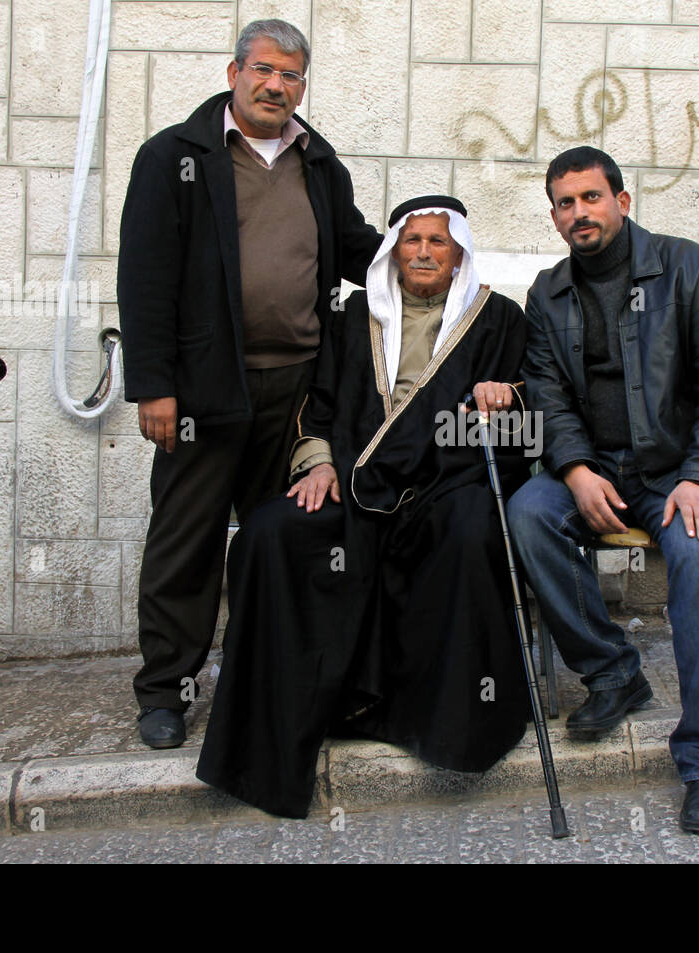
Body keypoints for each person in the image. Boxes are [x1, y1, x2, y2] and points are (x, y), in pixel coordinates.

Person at [197, 195, 532, 818]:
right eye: (412, 241)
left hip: (444, 485)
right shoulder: (358, 315)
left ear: (459, 252)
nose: (425, 252)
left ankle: (443, 724)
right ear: (394, 251)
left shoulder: (500, 320)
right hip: (353, 480)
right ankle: (281, 728)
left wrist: (503, 400)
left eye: (438, 241)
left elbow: (525, 427)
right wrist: (318, 462)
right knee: (270, 532)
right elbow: (317, 404)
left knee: (469, 533)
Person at [117, 19, 382, 749]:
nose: (276, 85)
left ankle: (268, 677)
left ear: (303, 85)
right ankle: (167, 690)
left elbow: (355, 245)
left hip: (296, 391)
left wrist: (427, 250)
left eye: (291, 75)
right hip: (202, 393)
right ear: (233, 72)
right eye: (264, 70)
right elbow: (144, 278)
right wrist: (153, 385)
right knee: (186, 541)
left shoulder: (319, 163)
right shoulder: (175, 156)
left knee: (280, 539)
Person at [506, 147, 699, 834]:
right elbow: (549, 395)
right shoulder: (548, 293)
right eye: (564, 202)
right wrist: (577, 469)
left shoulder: (686, 268)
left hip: (679, 472)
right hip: (596, 470)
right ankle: (613, 668)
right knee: (527, 513)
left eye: (590, 197)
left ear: (622, 200)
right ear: (554, 214)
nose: (578, 212)